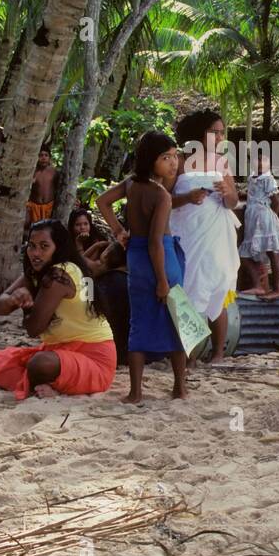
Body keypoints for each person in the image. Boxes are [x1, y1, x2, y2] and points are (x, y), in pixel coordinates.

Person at [0, 219, 117, 401]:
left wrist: (26, 305)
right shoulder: (38, 271)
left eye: (44, 246)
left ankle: (51, 385)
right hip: (61, 349)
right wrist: (13, 299)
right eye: (32, 246)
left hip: (94, 359)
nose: (36, 253)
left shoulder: (59, 274)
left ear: (58, 248)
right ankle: (49, 382)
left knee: (39, 364)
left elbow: (34, 329)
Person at [96, 131, 188, 402]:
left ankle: (135, 392)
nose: (173, 163)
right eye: (165, 158)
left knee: (139, 323)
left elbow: (102, 202)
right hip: (161, 259)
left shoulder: (132, 184)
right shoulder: (161, 195)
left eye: (174, 156)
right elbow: (156, 244)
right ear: (150, 160)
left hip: (134, 257)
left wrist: (118, 230)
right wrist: (161, 279)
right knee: (176, 321)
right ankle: (179, 388)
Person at [168, 109, 240, 365]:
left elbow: (233, 202)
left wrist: (226, 192)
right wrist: (188, 197)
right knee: (187, 287)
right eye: (214, 132)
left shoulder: (223, 163)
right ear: (199, 134)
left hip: (216, 234)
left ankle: (218, 353)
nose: (220, 137)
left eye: (222, 132)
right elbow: (165, 200)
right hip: (186, 232)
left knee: (216, 288)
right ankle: (186, 356)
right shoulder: (178, 160)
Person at [239, 147, 279, 299]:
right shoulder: (253, 177)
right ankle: (258, 286)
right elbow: (254, 194)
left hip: (264, 218)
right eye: (257, 159)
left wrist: (272, 217)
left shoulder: (268, 179)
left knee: (272, 252)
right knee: (244, 254)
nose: (260, 163)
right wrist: (244, 194)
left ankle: (278, 288)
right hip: (253, 220)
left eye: (264, 160)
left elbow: (276, 201)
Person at [83, 237, 129, 370]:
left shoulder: (100, 284)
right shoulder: (129, 282)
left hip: (107, 351)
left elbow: (78, 263)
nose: (92, 263)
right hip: (127, 351)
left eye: (98, 260)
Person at [27, 145, 57, 228]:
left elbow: (59, 187)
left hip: (49, 206)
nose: (43, 158)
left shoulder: (53, 172)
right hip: (34, 205)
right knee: (34, 227)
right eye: (40, 155)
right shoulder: (33, 171)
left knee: (47, 228)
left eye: (46, 155)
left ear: (50, 158)